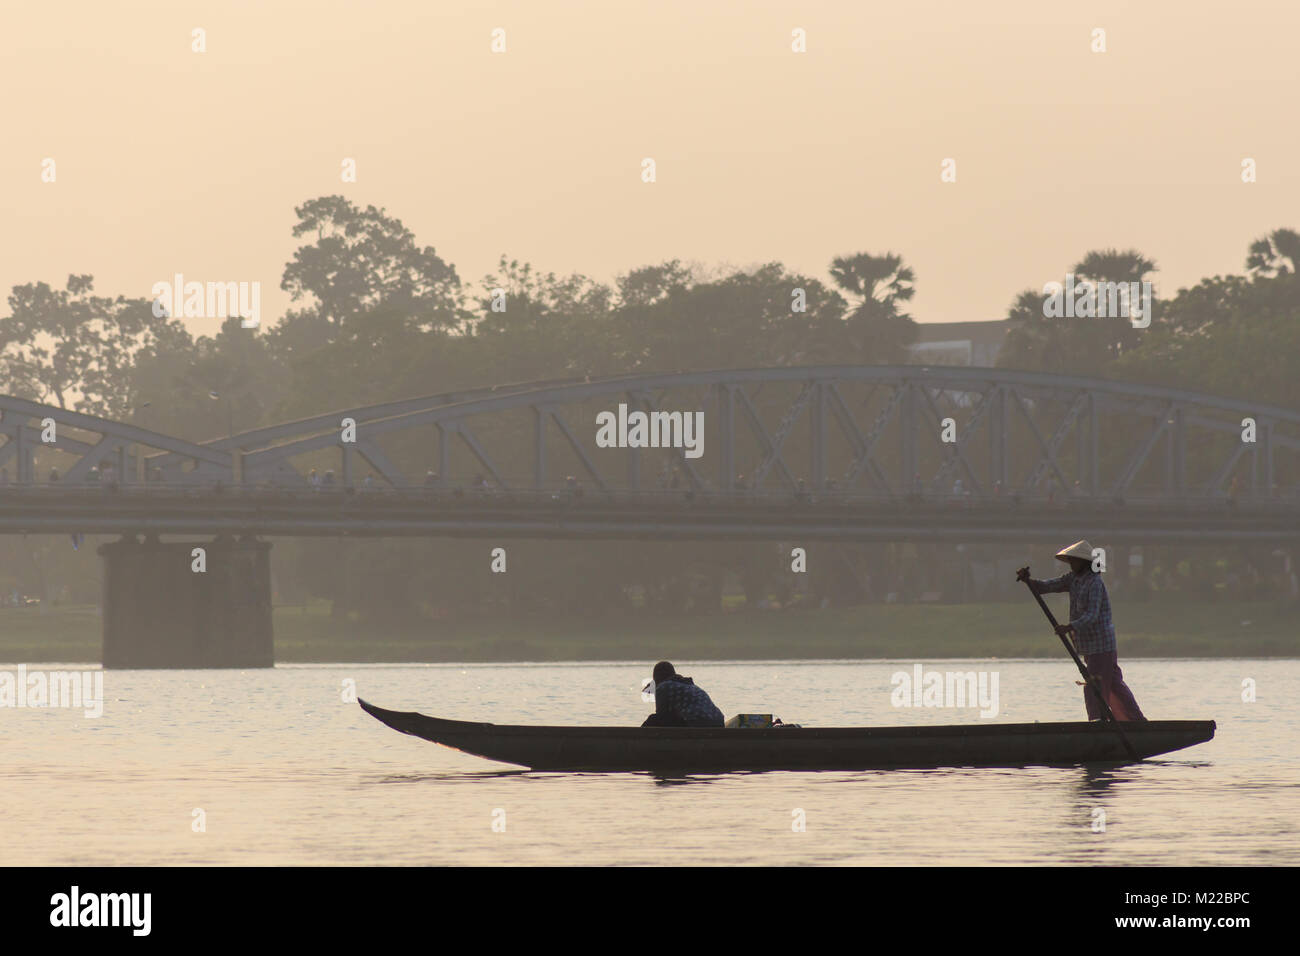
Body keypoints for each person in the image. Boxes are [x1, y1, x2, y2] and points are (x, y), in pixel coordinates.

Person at [1025, 539, 1146, 722]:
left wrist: (1069, 627)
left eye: (1075, 561)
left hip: (1101, 645)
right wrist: (1030, 582)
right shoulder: (1073, 579)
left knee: (1094, 685)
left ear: (1085, 562)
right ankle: (1135, 721)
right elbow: (1050, 586)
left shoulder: (1095, 583)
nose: (1072, 564)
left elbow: (1092, 615)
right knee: (1112, 684)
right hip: (1089, 645)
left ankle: (1097, 720)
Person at [641, 661, 724, 727]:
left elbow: (660, 715)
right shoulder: (690, 685)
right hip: (719, 723)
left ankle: (637, 739)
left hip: (697, 723)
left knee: (653, 719)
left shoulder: (663, 687)